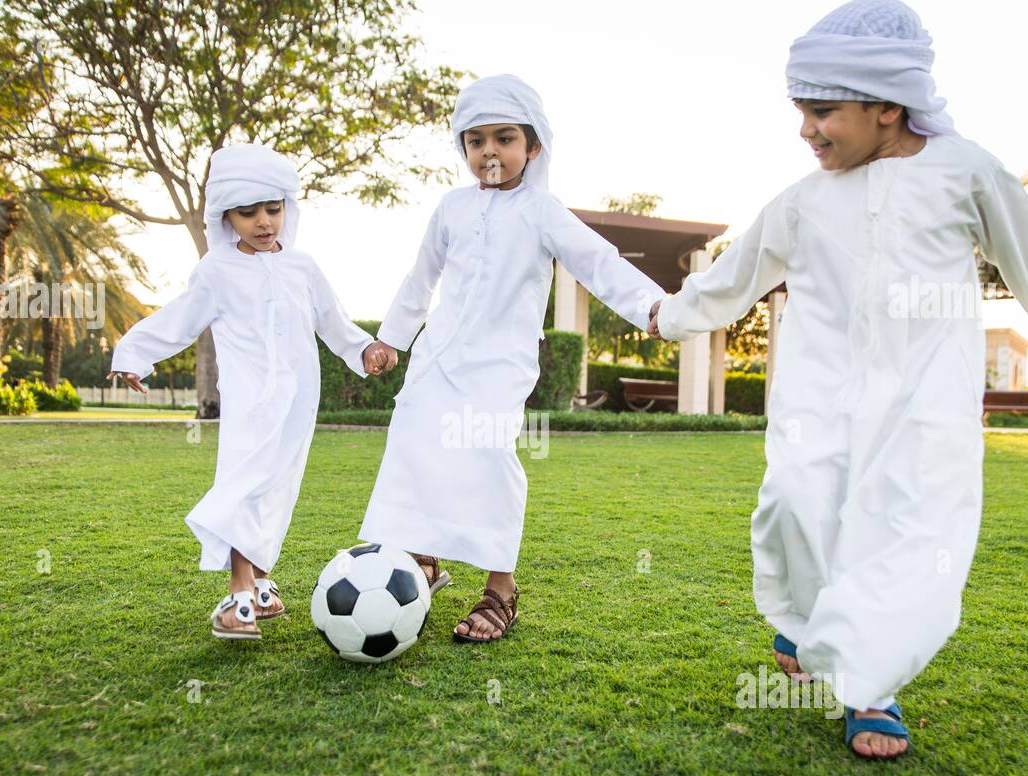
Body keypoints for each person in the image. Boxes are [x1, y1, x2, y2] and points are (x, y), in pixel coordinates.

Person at [648, 0, 1028, 758]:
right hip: (816, 394)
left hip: (924, 398)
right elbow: (737, 273)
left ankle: (868, 685)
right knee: (798, 501)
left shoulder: (965, 170)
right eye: (800, 111)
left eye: (823, 111)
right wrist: (675, 315)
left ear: (889, 105)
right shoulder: (802, 201)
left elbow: (1026, 244)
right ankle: (805, 615)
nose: (806, 130)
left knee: (903, 531)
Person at [360, 74, 667, 642]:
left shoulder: (543, 211)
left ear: (534, 146)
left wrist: (650, 305)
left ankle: (501, 589)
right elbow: (420, 278)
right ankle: (423, 562)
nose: (489, 152)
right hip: (437, 359)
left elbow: (599, 262)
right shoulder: (450, 208)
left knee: (486, 456)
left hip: (499, 366)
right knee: (413, 445)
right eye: (475, 141)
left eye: (504, 138)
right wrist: (390, 339)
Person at [108, 144, 396, 639]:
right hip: (248, 398)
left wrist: (366, 350)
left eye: (273, 208)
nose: (264, 222)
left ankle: (261, 583)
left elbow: (334, 323)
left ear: (287, 206)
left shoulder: (302, 265)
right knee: (245, 484)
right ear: (226, 216)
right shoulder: (216, 270)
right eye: (248, 212)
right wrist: (133, 353)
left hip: (299, 397)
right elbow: (179, 318)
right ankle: (239, 594)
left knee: (279, 488)